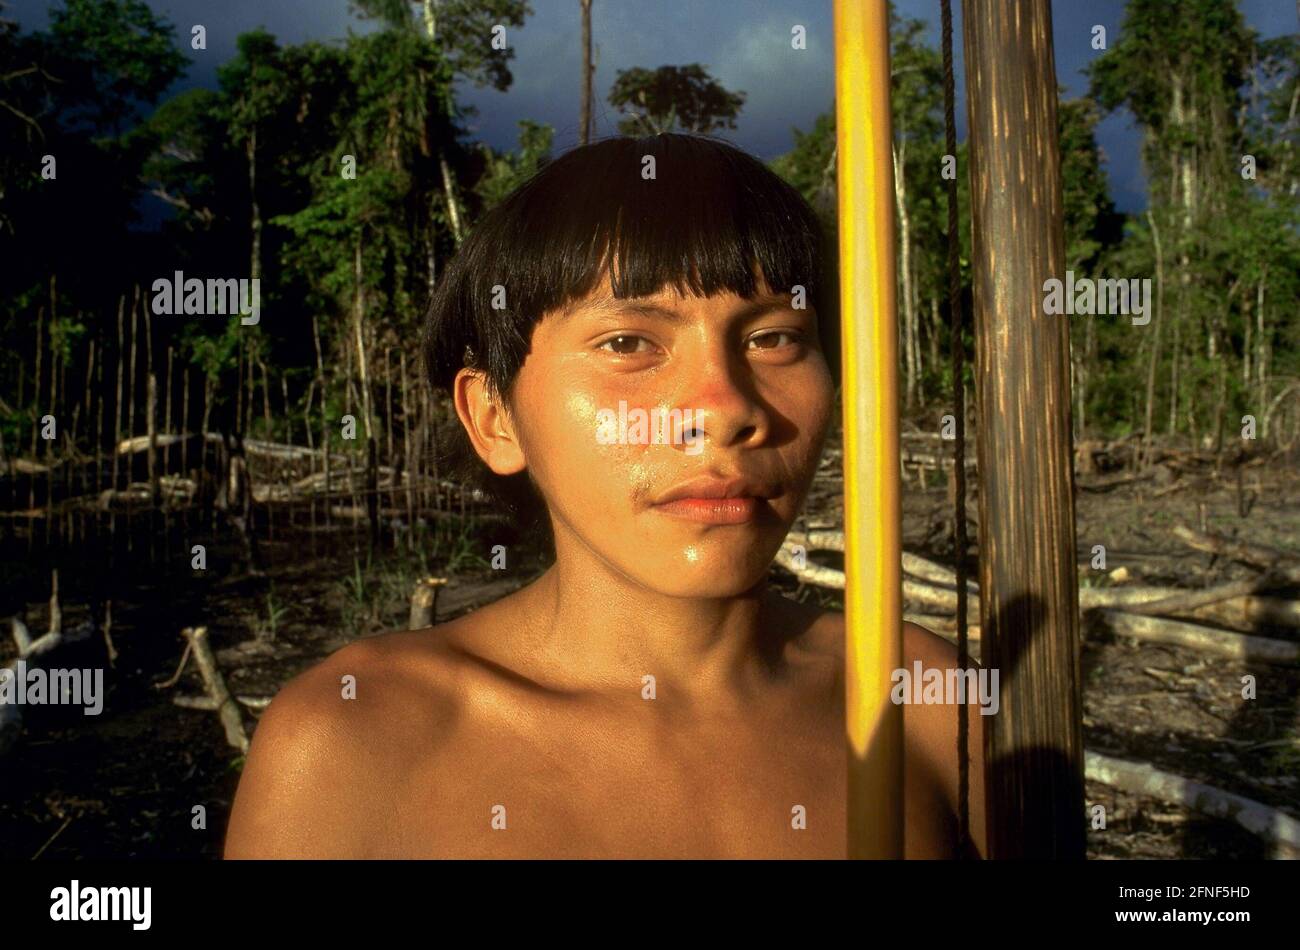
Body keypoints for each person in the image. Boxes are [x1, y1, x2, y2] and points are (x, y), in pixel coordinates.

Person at [225, 133, 986, 859]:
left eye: (774, 338)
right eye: (629, 344)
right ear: (494, 418)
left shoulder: (921, 700)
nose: (723, 409)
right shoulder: (352, 743)